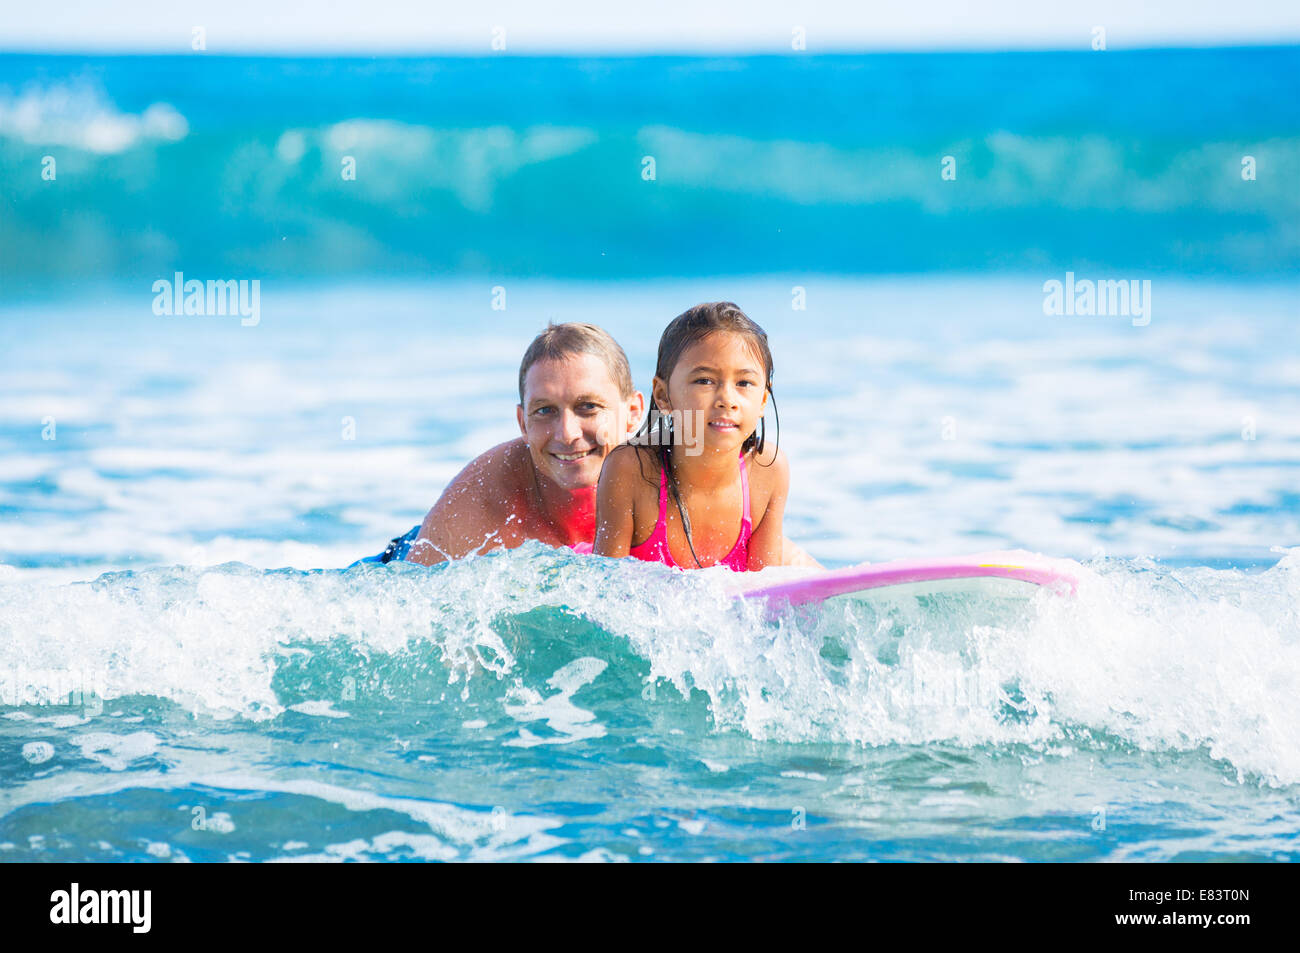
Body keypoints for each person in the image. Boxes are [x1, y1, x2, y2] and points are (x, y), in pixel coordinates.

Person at [358, 321, 817, 567]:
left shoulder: (664, 466)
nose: (567, 433)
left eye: (588, 407)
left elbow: (758, 552)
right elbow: (413, 599)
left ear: (635, 410)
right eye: (544, 411)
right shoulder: (488, 490)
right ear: (521, 421)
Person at [594, 302, 786, 571]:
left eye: (744, 383)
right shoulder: (631, 470)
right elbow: (603, 591)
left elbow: (769, 594)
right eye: (705, 381)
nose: (727, 400)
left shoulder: (768, 470)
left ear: (763, 399)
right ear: (662, 395)